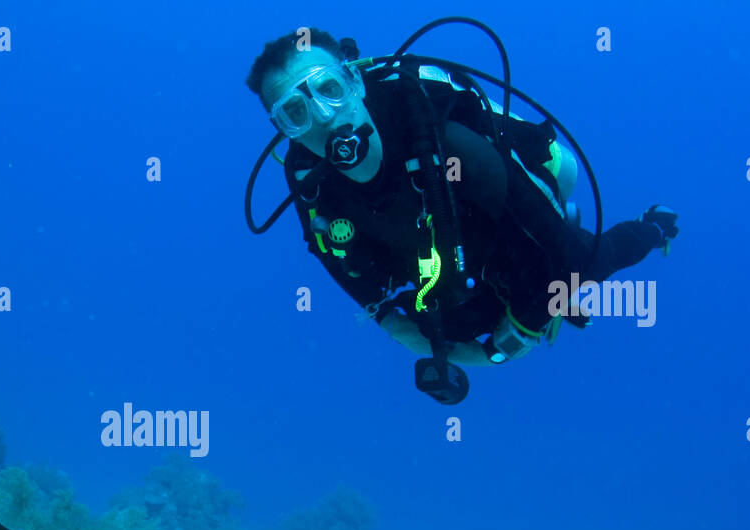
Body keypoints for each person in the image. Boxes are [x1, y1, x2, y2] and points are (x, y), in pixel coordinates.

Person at [244, 25, 679, 403]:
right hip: (432, 257)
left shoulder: (450, 145)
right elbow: (333, 257)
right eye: (295, 113)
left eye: (329, 89)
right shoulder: (307, 176)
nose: (322, 116)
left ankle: (654, 227)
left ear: (354, 82)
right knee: (459, 322)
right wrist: (391, 323)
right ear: (284, 129)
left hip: (500, 232)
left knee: (582, 266)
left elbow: (562, 263)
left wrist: (506, 345)